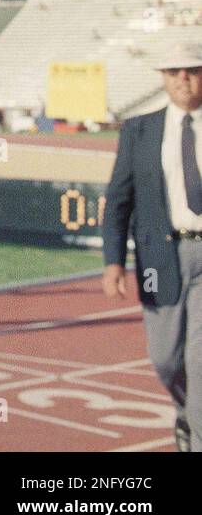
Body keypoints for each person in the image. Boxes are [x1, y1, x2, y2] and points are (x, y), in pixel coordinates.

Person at [102, 41, 202, 452]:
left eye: (192, 69)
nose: (184, 77)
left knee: (200, 361)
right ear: (162, 78)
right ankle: (184, 410)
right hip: (157, 258)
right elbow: (118, 199)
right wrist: (112, 262)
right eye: (175, 70)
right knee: (166, 358)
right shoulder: (139, 130)